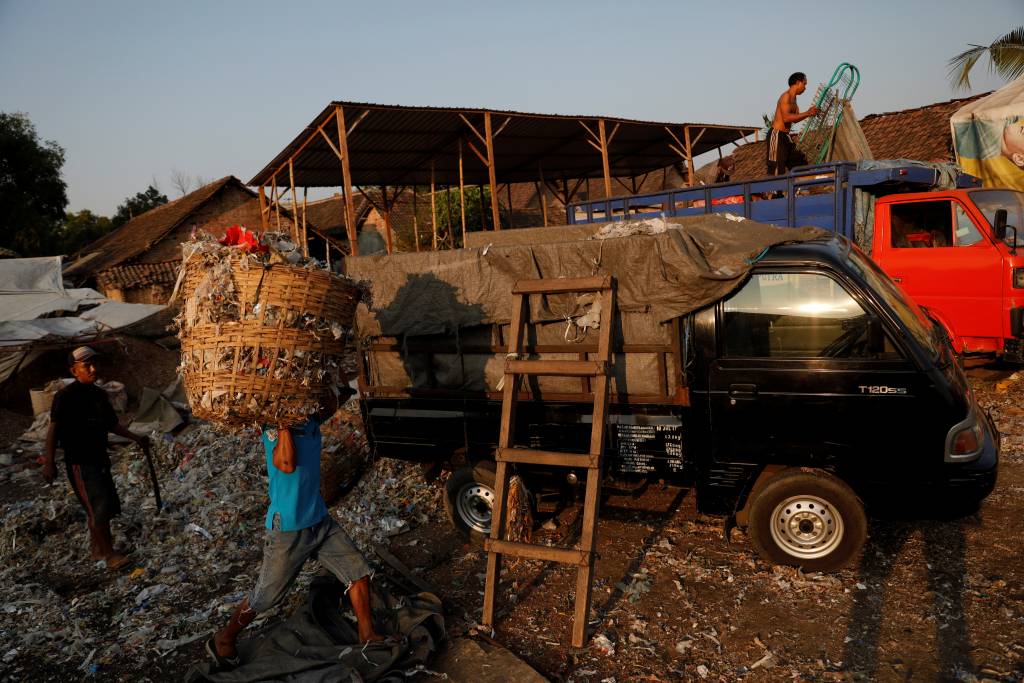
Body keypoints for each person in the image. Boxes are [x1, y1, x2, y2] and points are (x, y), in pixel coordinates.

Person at [208, 391, 384, 668]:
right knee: (266, 597)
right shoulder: (273, 429)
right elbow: (286, 464)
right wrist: (282, 422)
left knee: (358, 572)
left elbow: (334, 399)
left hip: (319, 519)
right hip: (288, 528)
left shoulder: (310, 421)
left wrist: (331, 388)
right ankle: (225, 638)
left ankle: (367, 635)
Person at [43, 346, 151, 571]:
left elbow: (111, 424)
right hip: (80, 461)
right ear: (74, 371)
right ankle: (110, 555)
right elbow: (53, 431)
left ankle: (97, 550)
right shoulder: (65, 397)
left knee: (104, 505)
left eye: (94, 364)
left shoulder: (99, 395)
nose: (93, 369)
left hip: (99, 457)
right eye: (86, 366)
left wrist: (136, 438)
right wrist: (49, 462)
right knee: (98, 506)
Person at [767, 72, 820, 175]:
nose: (805, 87)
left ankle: (801, 189)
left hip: (786, 136)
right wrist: (808, 113)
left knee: (800, 162)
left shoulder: (795, 100)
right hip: (777, 134)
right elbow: (786, 118)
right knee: (777, 167)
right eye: (804, 84)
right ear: (798, 82)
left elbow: (795, 119)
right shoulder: (785, 97)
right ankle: (774, 191)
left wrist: (809, 113)